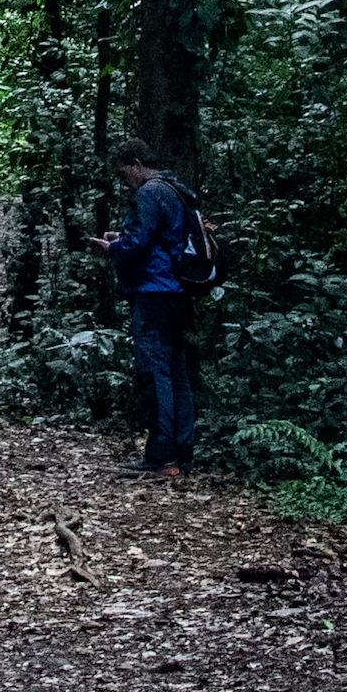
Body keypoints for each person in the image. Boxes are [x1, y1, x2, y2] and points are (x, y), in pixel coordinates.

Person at [97, 136, 200, 477]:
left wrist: (112, 248)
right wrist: (121, 238)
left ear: (137, 165)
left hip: (154, 292)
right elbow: (158, 238)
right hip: (179, 293)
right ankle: (182, 452)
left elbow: (137, 245)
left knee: (155, 373)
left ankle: (160, 456)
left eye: (124, 173)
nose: (123, 181)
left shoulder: (149, 192)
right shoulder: (175, 189)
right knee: (176, 372)